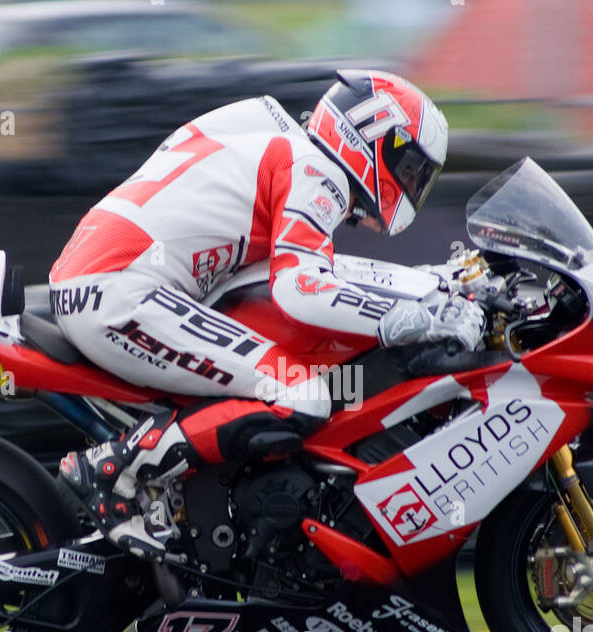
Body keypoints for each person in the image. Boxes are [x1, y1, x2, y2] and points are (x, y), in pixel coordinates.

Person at [50, 68, 487, 560]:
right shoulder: (317, 172)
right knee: (301, 395)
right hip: (121, 288)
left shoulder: (279, 141)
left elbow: (320, 271)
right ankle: (114, 471)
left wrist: (431, 284)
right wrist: (411, 319)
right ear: (371, 138)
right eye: (407, 169)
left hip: (106, 278)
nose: (409, 185)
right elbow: (300, 289)